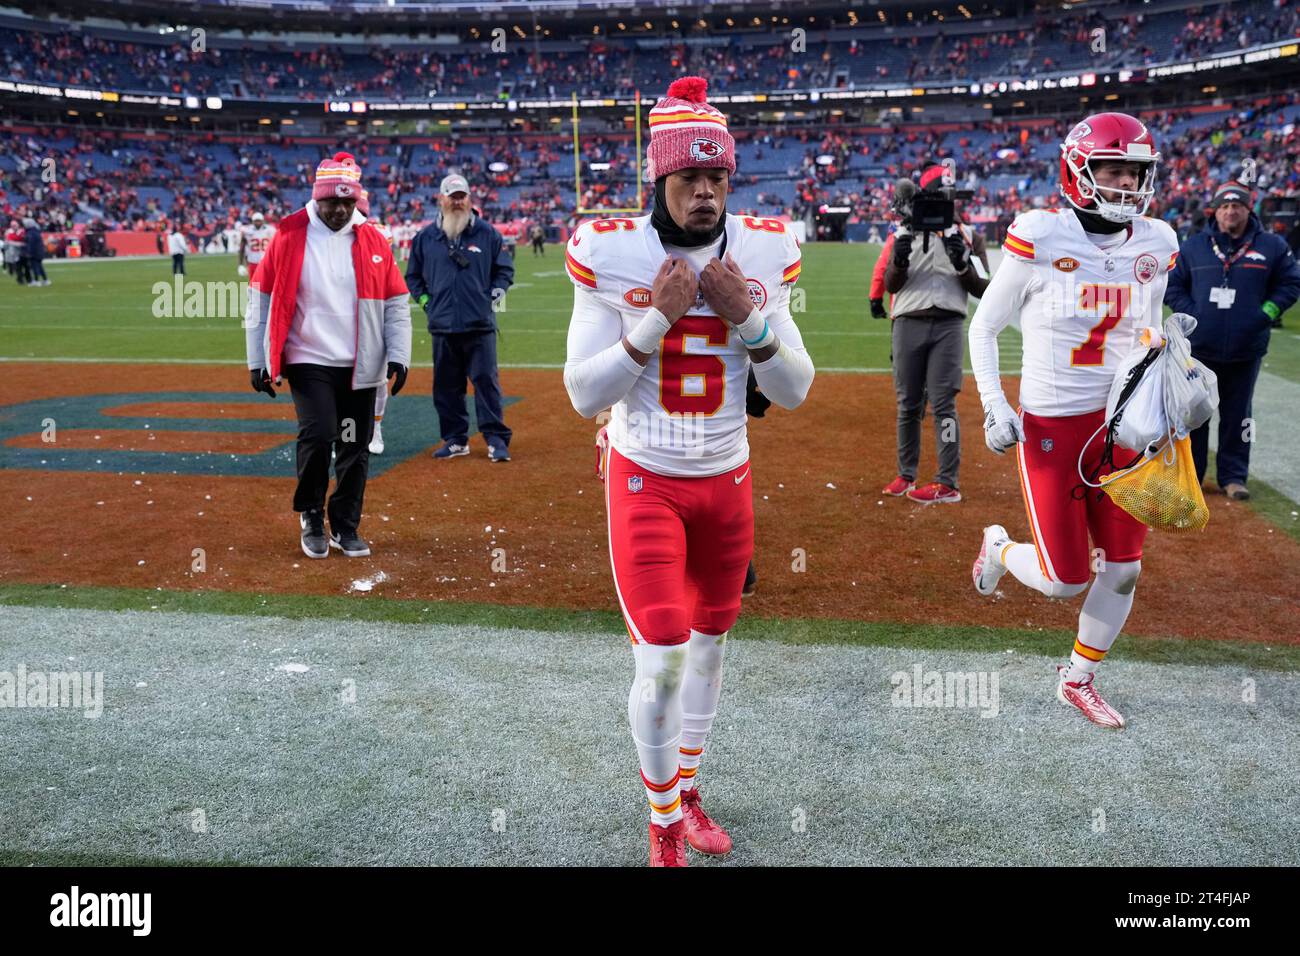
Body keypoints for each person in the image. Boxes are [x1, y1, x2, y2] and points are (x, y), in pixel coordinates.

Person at [563, 77, 814, 866]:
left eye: (717, 178)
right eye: (688, 178)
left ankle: (689, 790)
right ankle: (663, 822)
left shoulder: (766, 250)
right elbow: (581, 394)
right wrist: (656, 319)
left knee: (710, 646)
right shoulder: (612, 250)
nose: (704, 192)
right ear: (659, 180)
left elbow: (794, 389)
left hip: (728, 477)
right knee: (663, 658)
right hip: (646, 476)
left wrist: (751, 319)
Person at [967, 112, 1180, 730]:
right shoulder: (1043, 234)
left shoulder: (1156, 241)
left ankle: (1078, 677)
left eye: (1135, 172)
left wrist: (1169, 390)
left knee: (1124, 565)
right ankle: (1001, 550)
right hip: (1056, 428)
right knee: (1063, 580)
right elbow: (985, 325)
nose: (1126, 184)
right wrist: (993, 403)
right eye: (1113, 170)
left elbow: (1151, 330)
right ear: (1079, 171)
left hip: (1123, 429)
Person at [244, 152, 411, 560]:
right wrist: (257, 359)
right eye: (330, 202)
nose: (339, 210)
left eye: (347, 202)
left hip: (361, 364)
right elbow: (260, 298)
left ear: (357, 200)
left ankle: (346, 524)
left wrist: (400, 355)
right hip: (308, 358)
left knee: (355, 444)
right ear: (316, 198)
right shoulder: (288, 233)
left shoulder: (374, 239)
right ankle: (312, 515)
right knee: (319, 434)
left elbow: (396, 302)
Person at [1165, 180, 1300, 500]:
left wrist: (1264, 313)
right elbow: (1173, 287)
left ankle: (1233, 477)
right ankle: (1192, 478)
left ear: (1248, 208)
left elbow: (1290, 284)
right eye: (1224, 206)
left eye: (1236, 205)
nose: (1230, 211)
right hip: (1199, 350)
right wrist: (1194, 314)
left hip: (1246, 348)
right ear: (1216, 210)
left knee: (1238, 416)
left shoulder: (1272, 246)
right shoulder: (1195, 246)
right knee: (1195, 415)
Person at [881, 167, 990, 503]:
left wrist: (963, 264)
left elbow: (985, 289)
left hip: (948, 324)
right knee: (908, 404)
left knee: (944, 404)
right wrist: (898, 261)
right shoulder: (902, 231)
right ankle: (906, 474)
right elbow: (890, 285)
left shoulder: (970, 235)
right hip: (908, 320)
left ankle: (947, 480)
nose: (947, 204)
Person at [406, 173, 515, 462]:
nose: (457, 202)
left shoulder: (488, 234)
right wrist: (427, 302)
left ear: (469, 199)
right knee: (446, 386)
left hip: (479, 325)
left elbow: (504, 271)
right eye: (452, 197)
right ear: (441, 199)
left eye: (461, 196)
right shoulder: (425, 238)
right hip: (442, 325)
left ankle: (495, 439)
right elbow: (413, 277)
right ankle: (455, 439)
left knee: (485, 382)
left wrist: (493, 295)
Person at [357, 190, 397, 456]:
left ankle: (376, 429)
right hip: (341, 318)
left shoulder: (380, 234)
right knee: (341, 381)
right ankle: (348, 435)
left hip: (374, 312)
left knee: (379, 379)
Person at [239, 211, 275, 279]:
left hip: (267, 262)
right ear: (253, 221)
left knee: (267, 284)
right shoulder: (247, 231)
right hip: (253, 261)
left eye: (259, 221)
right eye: (256, 221)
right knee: (255, 284)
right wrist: (240, 264)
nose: (258, 223)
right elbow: (242, 248)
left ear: (263, 221)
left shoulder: (270, 230)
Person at [23, 218, 48, 287]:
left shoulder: (30, 233)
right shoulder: (36, 231)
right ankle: (45, 280)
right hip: (39, 251)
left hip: (34, 252)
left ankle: (37, 281)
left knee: (35, 267)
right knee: (40, 267)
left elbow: (30, 244)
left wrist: (28, 252)